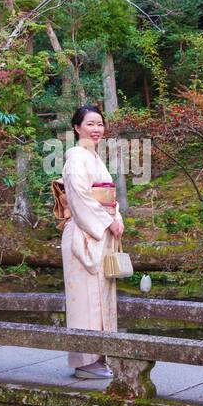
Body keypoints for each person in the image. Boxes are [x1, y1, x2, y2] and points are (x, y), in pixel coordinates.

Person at [60, 105, 125, 379]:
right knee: (85, 300)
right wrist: (107, 221)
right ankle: (83, 361)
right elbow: (79, 198)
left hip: (102, 234)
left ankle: (98, 355)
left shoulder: (95, 158)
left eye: (100, 124)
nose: (96, 129)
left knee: (101, 296)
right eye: (90, 124)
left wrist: (117, 217)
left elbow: (108, 197)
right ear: (77, 128)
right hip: (84, 236)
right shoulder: (75, 157)